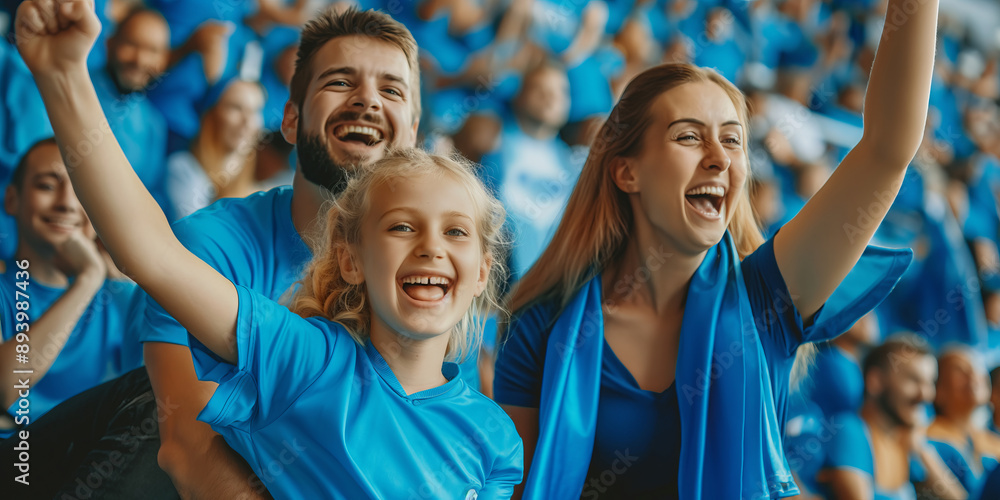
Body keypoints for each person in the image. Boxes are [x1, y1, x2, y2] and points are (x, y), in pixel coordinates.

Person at [14, 2, 524, 498]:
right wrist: (64, 76)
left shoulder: (483, 426)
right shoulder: (289, 332)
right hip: (101, 463)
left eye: (391, 89)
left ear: (413, 139)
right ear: (290, 120)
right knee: (157, 409)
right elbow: (185, 449)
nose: (368, 101)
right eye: (340, 81)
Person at [492, 0, 939, 496]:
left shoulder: (767, 298)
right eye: (689, 137)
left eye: (733, 141)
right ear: (626, 171)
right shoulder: (540, 326)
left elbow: (887, 148)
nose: (719, 159)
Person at [0, 138, 137, 436]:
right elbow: (4, 389)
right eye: (47, 186)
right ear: (12, 200)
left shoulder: (120, 296)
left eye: (81, 191)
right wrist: (87, 280)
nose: (67, 203)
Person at [816, 336, 966, 499]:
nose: (926, 395)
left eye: (930, 382)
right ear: (875, 381)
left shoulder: (907, 444)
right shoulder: (850, 431)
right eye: (913, 380)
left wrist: (921, 450)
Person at [91, 6, 173, 218]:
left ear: (164, 60)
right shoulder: (74, 87)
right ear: (110, 44)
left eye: (153, 51)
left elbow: (150, 197)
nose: (140, 60)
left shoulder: (154, 125)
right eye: (131, 44)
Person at [166, 76, 266, 219]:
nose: (248, 121)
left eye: (256, 111)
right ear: (211, 115)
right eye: (236, 108)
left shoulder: (256, 187)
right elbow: (194, 236)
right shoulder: (182, 170)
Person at [926, 348, 1000, 498]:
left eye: (978, 368)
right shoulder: (929, 440)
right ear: (937, 389)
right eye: (959, 370)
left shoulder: (992, 440)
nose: (973, 374)